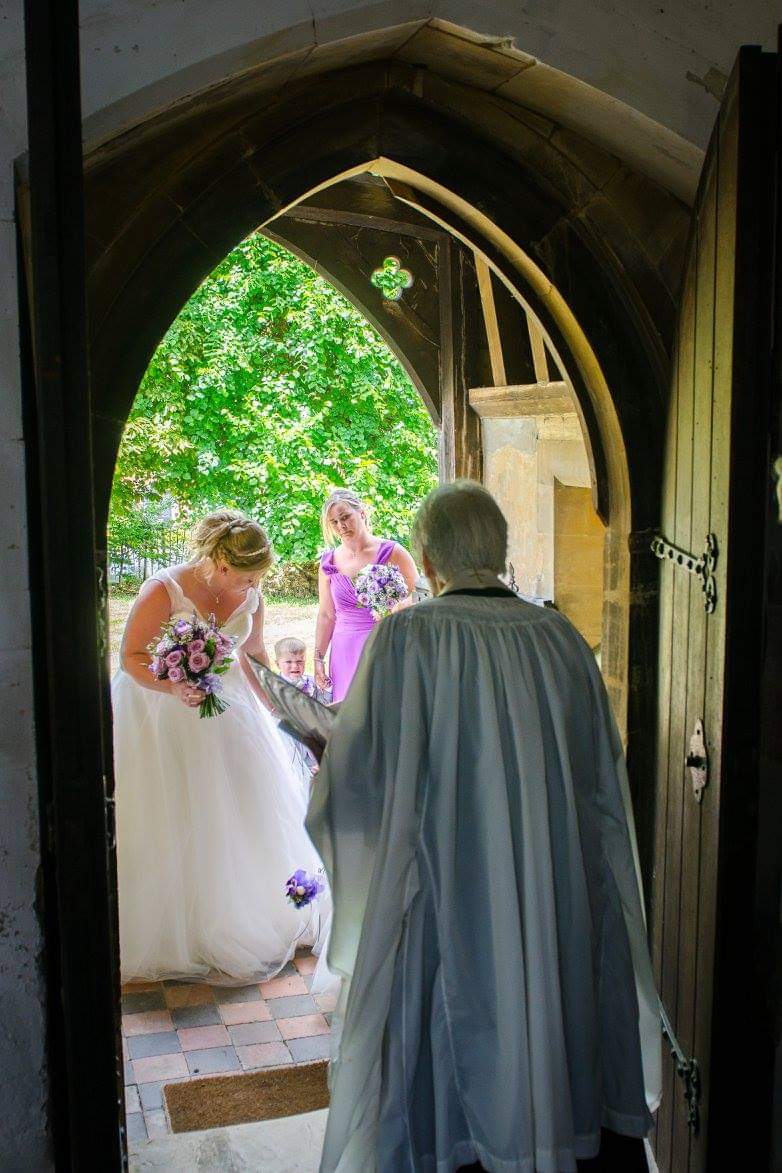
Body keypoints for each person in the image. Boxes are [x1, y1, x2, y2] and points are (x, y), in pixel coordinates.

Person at [306, 481, 661, 1172]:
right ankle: (552, 1132)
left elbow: (361, 777)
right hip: (554, 883)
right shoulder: (560, 637)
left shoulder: (408, 637)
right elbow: (599, 774)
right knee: (556, 1003)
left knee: (449, 1018)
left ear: (428, 559)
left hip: (445, 884)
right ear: (497, 549)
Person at [113, 509, 326, 983]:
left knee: (243, 807)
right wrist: (173, 686)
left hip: (230, 708)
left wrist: (280, 708)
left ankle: (251, 913)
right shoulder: (164, 589)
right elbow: (131, 656)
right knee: (177, 815)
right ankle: (182, 930)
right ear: (221, 564)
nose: (254, 585)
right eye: (248, 576)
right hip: (162, 712)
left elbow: (254, 654)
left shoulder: (252, 595)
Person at [314, 488, 418, 701]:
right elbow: (326, 615)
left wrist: (395, 608)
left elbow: (420, 596)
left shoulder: (393, 552)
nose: (341, 526)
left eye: (345, 517)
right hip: (345, 650)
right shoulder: (328, 563)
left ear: (361, 512)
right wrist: (318, 658)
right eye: (334, 522)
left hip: (386, 645)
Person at [273, 635, 332, 799]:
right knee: (295, 775)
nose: (295, 666)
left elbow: (324, 704)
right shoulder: (275, 686)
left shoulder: (311, 683)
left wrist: (326, 689)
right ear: (277, 663)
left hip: (312, 739)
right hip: (291, 742)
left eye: (300, 661)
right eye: (289, 662)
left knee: (316, 775)